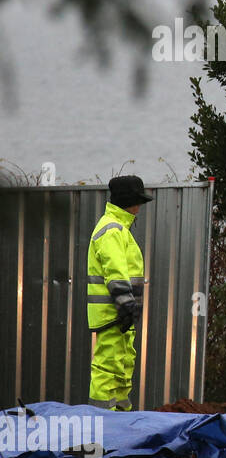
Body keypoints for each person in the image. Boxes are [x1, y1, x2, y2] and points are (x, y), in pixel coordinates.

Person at [86, 175, 152, 411]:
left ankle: (120, 425)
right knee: (107, 371)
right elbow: (115, 273)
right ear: (129, 201)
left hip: (121, 316)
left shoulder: (118, 228)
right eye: (138, 201)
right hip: (114, 315)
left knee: (122, 371)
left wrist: (128, 309)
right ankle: (100, 428)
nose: (140, 208)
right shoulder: (112, 230)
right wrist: (126, 305)